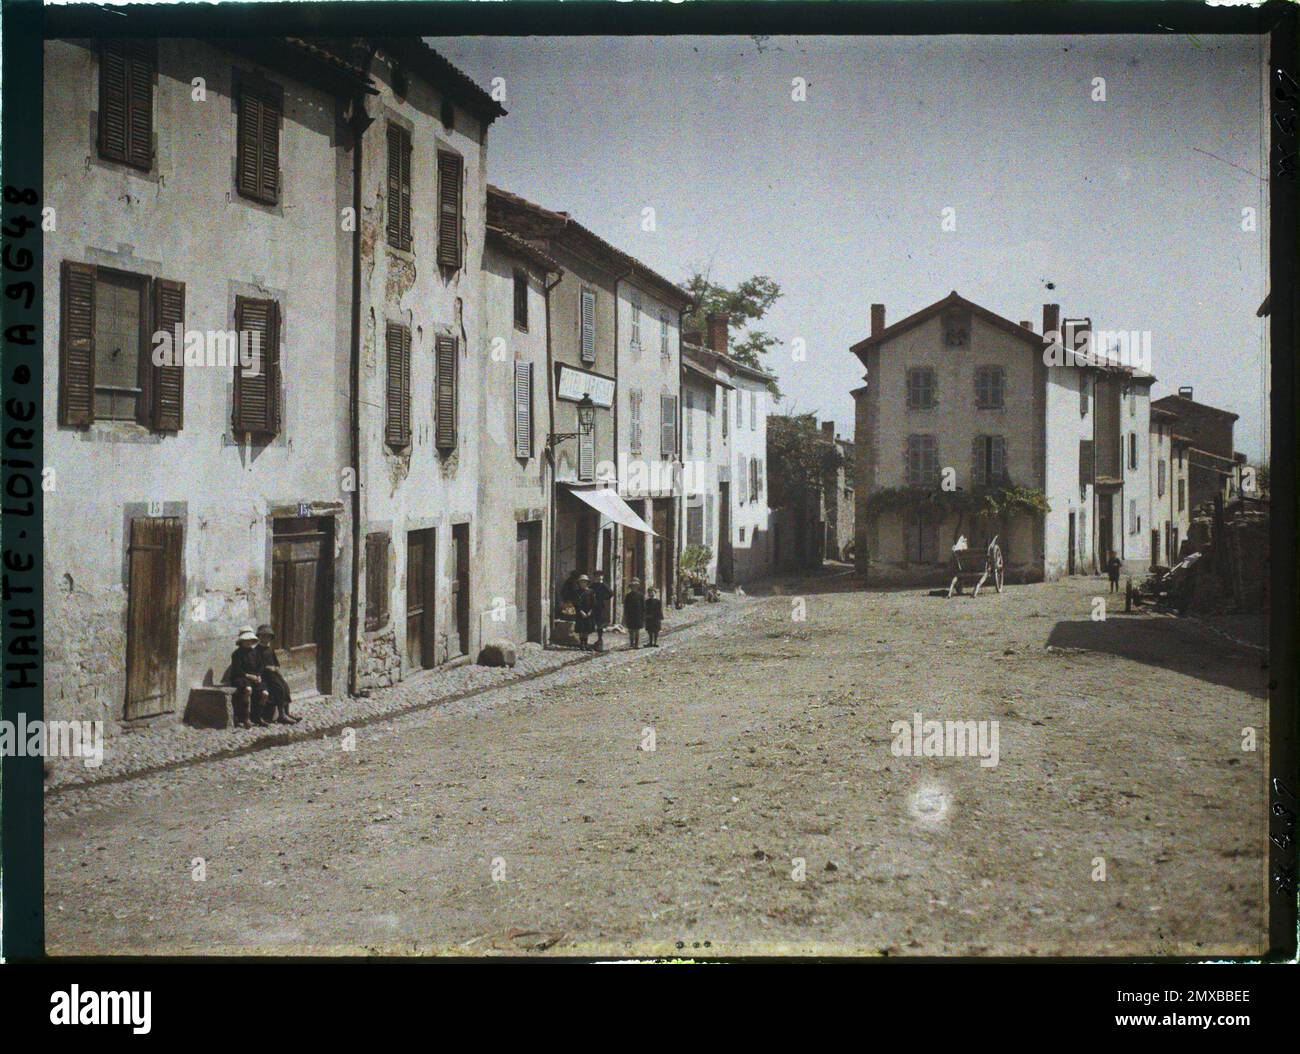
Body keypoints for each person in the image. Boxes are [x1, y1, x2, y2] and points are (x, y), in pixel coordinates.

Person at [255, 624, 301, 724]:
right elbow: (256, 666)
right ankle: (281, 715)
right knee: (278, 688)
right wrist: (267, 667)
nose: (265, 638)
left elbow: (276, 663)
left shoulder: (270, 650)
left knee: (285, 687)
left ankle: (286, 712)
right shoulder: (256, 651)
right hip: (264, 676)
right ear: (259, 637)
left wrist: (275, 668)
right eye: (263, 636)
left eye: (268, 636)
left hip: (273, 675)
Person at [229, 626, 267, 728]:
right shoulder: (236, 654)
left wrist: (258, 676)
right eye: (246, 640)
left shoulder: (256, 653)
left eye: (250, 640)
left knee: (265, 693)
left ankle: (258, 717)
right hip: (241, 678)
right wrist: (249, 676)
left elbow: (260, 666)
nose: (248, 642)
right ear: (241, 641)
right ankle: (246, 718)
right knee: (248, 689)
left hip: (254, 678)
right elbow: (237, 670)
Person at [590, 569, 614, 651]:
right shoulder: (592, 585)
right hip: (592, 606)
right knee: (592, 622)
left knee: (600, 623)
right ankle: (589, 640)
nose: (599, 577)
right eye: (597, 576)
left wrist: (603, 598)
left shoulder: (603, 585)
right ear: (594, 577)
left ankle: (600, 639)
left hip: (600, 606)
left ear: (602, 577)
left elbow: (610, 593)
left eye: (600, 576)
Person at [573, 574, 595, 651]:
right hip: (580, 613)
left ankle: (586, 643)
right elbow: (576, 603)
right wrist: (581, 611)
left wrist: (590, 611)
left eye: (584, 582)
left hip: (588, 612)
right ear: (579, 583)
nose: (583, 583)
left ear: (587, 583)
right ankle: (581, 644)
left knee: (587, 629)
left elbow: (593, 603)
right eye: (581, 582)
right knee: (581, 629)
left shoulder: (590, 592)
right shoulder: (577, 592)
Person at [623, 578, 645, 649]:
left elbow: (643, 606)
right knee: (631, 630)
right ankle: (631, 644)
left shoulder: (641, 595)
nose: (634, 588)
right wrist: (625, 615)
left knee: (637, 630)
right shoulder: (628, 596)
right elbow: (626, 606)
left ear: (637, 587)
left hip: (638, 614)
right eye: (632, 586)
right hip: (630, 614)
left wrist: (643, 616)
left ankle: (636, 644)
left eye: (635, 586)